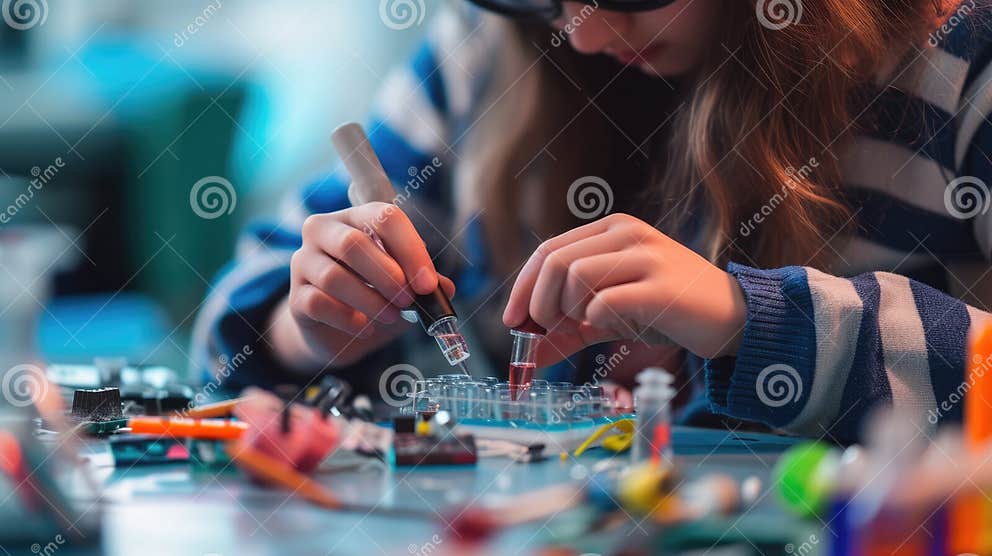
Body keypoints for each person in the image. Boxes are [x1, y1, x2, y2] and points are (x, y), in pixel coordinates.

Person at [193, 0, 992, 442]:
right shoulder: (489, 47)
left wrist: (754, 325)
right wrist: (305, 330)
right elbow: (228, 336)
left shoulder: (964, 71)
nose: (589, 32)